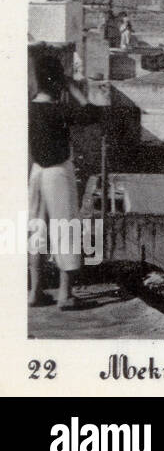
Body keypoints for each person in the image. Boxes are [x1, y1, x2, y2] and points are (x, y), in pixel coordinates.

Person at [28, 55, 90, 309]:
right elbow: (92, 113)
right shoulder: (59, 109)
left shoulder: (29, 107)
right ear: (57, 81)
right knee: (65, 228)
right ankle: (65, 294)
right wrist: (74, 88)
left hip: (36, 172)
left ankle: (35, 291)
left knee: (36, 229)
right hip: (58, 172)